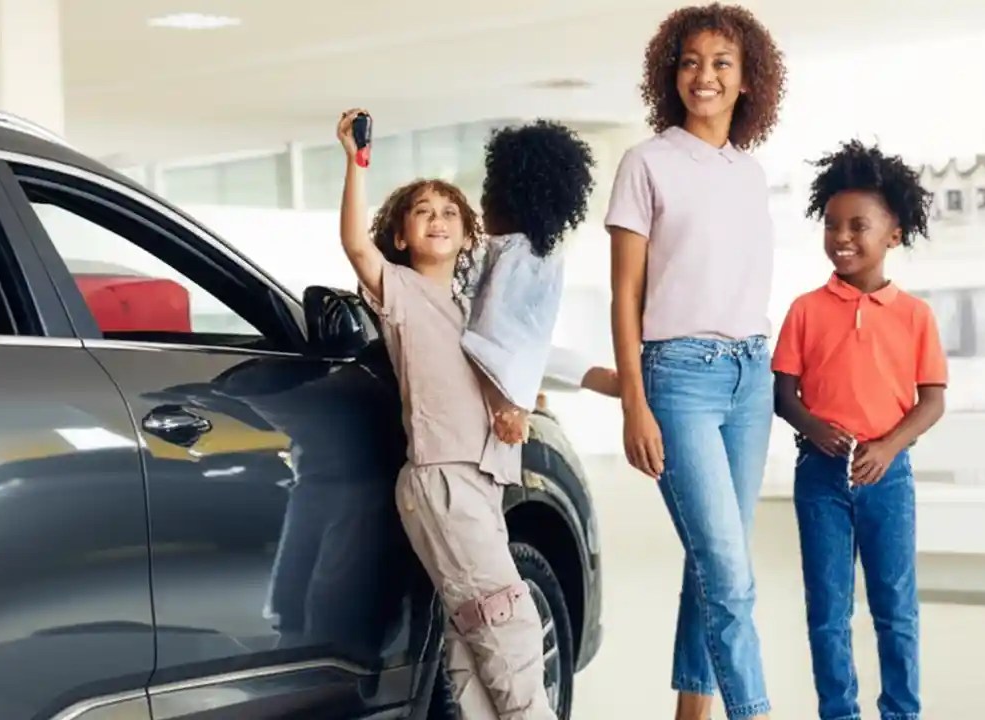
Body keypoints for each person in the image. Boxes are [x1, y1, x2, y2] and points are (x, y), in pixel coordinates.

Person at [336, 107, 559, 720]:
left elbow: (515, 368)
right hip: (442, 475)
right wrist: (357, 164)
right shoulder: (400, 293)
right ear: (402, 236)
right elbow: (357, 245)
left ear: (468, 236)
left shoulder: (474, 308)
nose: (438, 219)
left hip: (482, 482)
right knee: (505, 622)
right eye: (423, 211)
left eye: (450, 212)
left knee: (470, 640)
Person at [604, 4, 787, 719]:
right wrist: (633, 405)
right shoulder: (646, 163)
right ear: (669, 73)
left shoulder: (750, 172)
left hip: (751, 376)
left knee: (713, 566)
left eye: (721, 64)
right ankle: (754, 710)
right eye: (689, 62)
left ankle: (692, 711)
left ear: (747, 81)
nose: (703, 76)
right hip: (678, 378)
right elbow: (626, 296)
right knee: (731, 575)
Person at [773, 140, 946, 720]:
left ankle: (902, 711)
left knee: (895, 608)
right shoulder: (804, 309)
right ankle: (838, 713)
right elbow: (783, 394)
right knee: (827, 610)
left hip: (888, 477)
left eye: (858, 226)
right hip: (819, 477)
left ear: (893, 233)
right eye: (831, 225)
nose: (841, 237)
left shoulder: (916, 316)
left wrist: (889, 446)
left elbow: (932, 399)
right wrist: (815, 429)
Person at [461, 119, 600, 445]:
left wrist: (513, 406)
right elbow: (528, 343)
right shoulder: (539, 257)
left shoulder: (514, 258)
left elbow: (502, 339)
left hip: (484, 416)